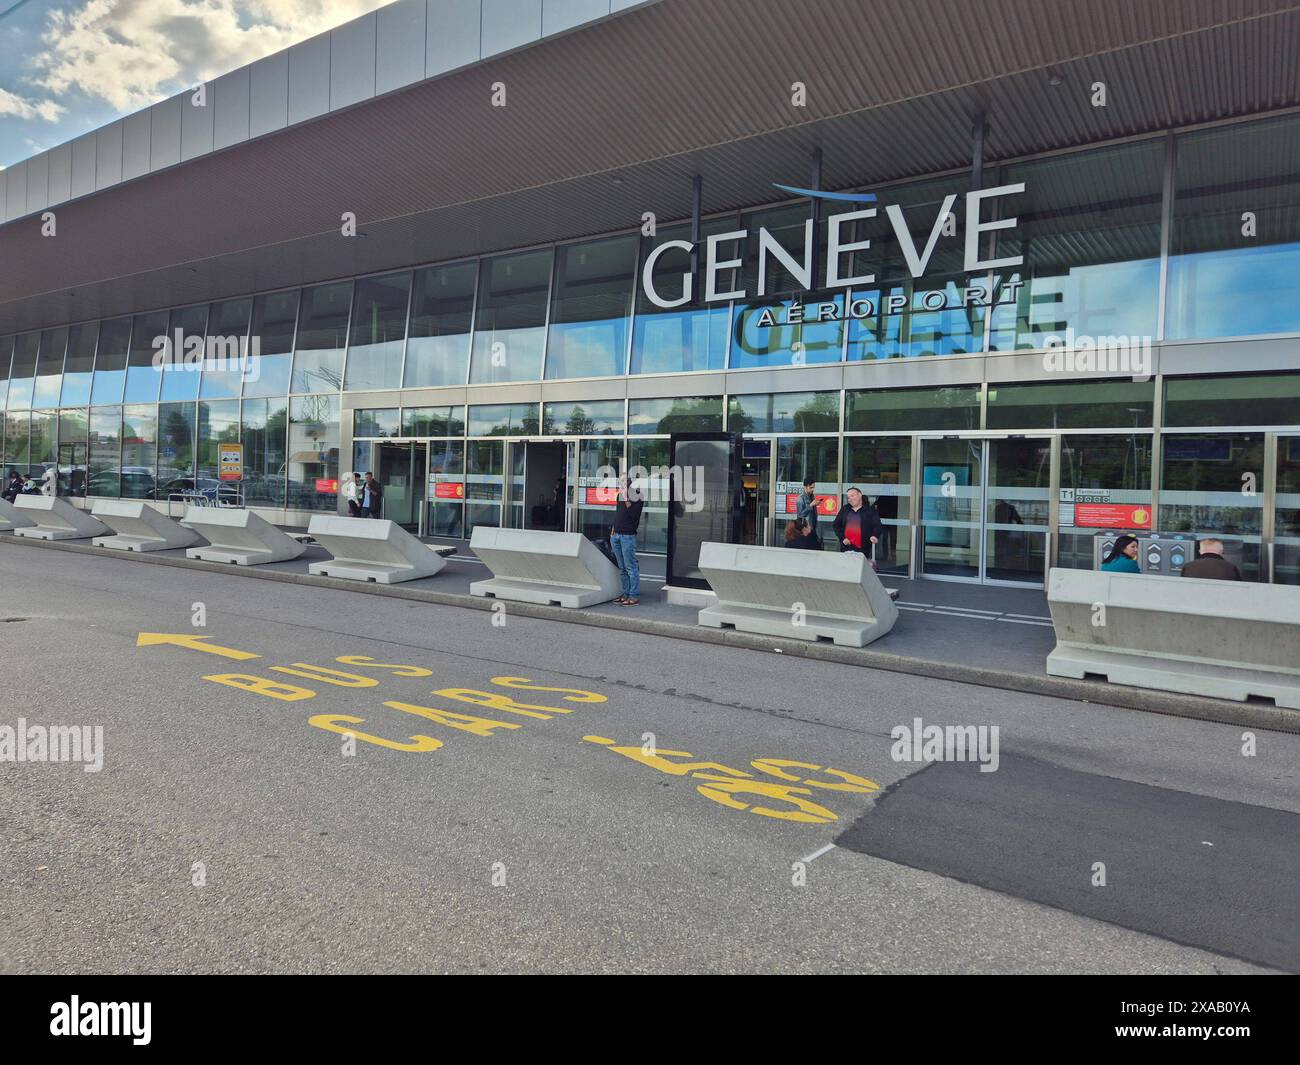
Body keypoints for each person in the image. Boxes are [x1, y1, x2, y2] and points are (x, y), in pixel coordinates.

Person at [610, 474, 644, 606]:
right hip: (616, 535)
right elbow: (619, 513)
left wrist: (625, 497)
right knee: (622, 568)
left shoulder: (638, 495)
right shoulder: (619, 495)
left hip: (628, 536)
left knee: (631, 567)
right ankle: (625, 594)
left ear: (629, 483)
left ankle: (634, 595)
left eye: (623, 482)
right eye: (620, 482)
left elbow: (634, 515)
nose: (620, 484)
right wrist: (613, 529)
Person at [833, 487, 883, 563]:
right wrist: (842, 538)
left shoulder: (870, 510)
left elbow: (877, 525)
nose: (850, 499)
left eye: (853, 496)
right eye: (848, 497)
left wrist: (875, 535)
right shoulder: (845, 509)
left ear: (860, 495)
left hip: (863, 548)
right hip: (846, 547)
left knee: (860, 570)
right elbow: (836, 525)